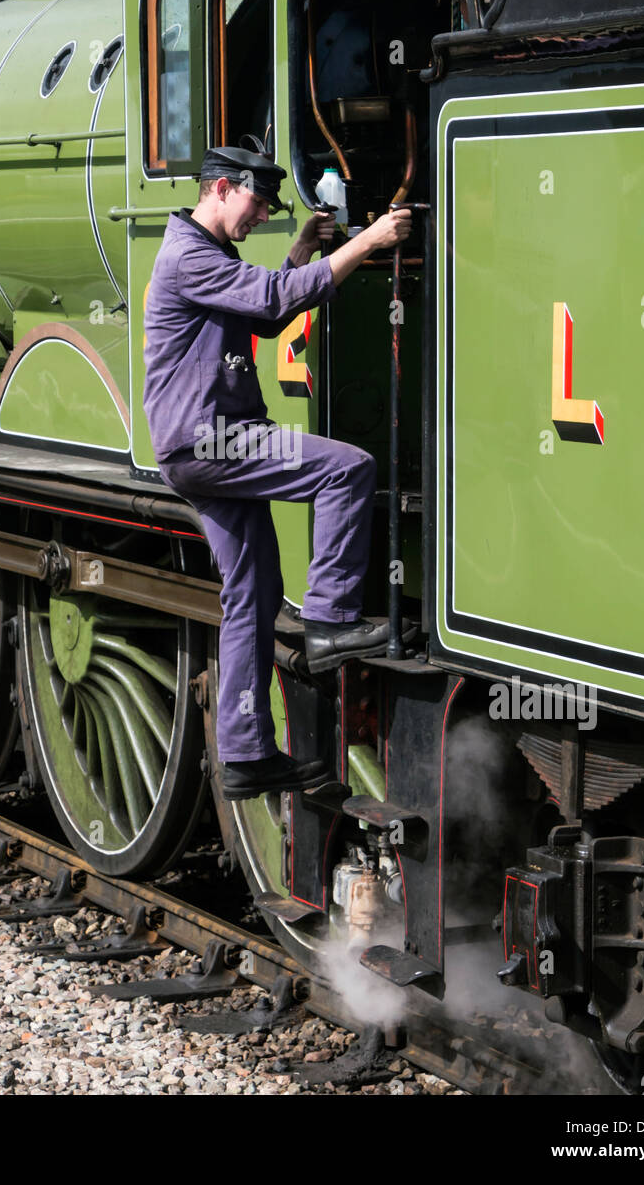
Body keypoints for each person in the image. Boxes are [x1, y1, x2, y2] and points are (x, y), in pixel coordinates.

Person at [142, 144, 412, 800]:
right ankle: (328, 620)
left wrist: (299, 248)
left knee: (252, 594)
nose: (259, 214)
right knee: (347, 469)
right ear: (222, 189)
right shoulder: (187, 254)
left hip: (203, 443)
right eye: (258, 202)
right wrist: (371, 239)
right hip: (213, 440)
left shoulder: (204, 255)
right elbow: (274, 297)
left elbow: (265, 313)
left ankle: (243, 754)